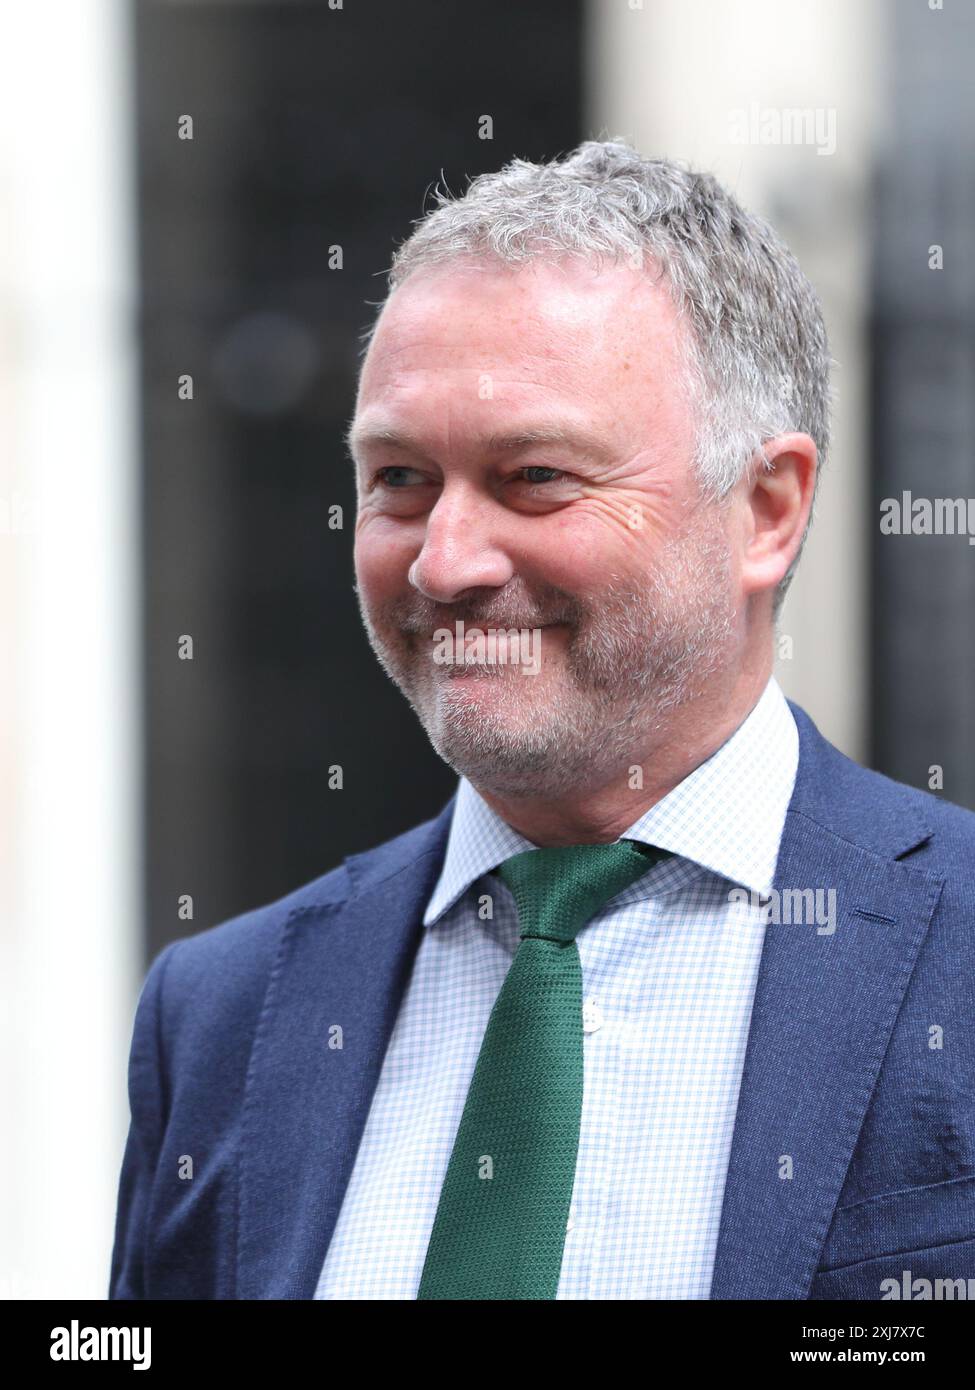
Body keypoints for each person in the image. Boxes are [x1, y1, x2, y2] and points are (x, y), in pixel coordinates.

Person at [110, 140, 975, 1301]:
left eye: (536, 477)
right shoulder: (219, 1019)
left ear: (765, 511)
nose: (447, 562)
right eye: (401, 479)